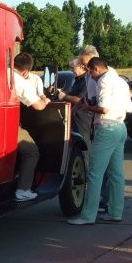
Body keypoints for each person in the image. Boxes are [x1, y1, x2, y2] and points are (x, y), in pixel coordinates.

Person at [68, 57, 132, 225]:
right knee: (116, 174)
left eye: (90, 71)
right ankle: (115, 212)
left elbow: (103, 108)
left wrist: (87, 107)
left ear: (96, 69)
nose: (89, 75)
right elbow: (129, 106)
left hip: (106, 128)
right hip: (120, 127)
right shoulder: (120, 81)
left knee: (95, 174)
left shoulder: (103, 82)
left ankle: (88, 215)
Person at [12, 52, 49, 201]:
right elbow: (39, 106)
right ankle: (23, 190)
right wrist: (45, 100)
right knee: (32, 151)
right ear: (26, 71)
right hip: (5, 128)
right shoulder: (20, 81)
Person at [56, 57, 94, 138]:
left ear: (81, 67)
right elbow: (74, 94)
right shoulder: (78, 79)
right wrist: (62, 92)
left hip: (83, 119)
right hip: (76, 116)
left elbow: (80, 100)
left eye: (73, 68)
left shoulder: (85, 80)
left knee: (83, 142)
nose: (71, 70)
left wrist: (65, 96)